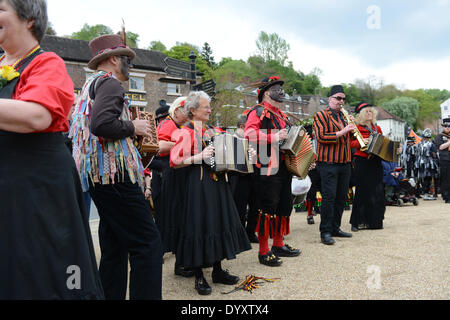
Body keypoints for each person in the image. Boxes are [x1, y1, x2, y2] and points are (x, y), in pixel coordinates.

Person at [0, 0, 103, 299]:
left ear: (29, 17)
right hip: (7, 190)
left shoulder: (47, 63)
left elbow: (36, 115)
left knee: (45, 275)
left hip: (37, 190)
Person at [70, 34, 162, 300]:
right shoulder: (109, 84)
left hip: (99, 178)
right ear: (112, 59)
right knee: (148, 243)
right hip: (116, 179)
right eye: (127, 60)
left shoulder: (90, 85)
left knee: (115, 246)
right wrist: (135, 126)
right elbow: (101, 125)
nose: (130, 66)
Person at [169, 91, 251, 295]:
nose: (209, 109)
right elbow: (174, 162)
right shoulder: (184, 132)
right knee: (199, 226)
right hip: (196, 185)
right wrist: (199, 156)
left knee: (217, 223)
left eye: (209, 106)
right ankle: (199, 276)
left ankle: (217, 270)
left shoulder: (212, 130)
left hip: (216, 184)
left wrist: (245, 154)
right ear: (193, 110)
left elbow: (227, 155)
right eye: (206, 106)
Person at [245, 76, 301, 267]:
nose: (282, 92)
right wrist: (273, 136)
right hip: (266, 165)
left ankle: (278, 244)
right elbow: (249, 134)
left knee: (284, 205)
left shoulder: (282, 116)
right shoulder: (258, 111)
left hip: (284, 167)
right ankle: (263, 251)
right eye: (277, 89)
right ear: (266, 93)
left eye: (281, 89)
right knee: (267, 207)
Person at [155, 96, 194, 278]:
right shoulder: (167, 124)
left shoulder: (182, 126)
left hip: (179, 175)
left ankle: (181, 260)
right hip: (168, 176)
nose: (189, 114)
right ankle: (163, 253)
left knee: (180, 218)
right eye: (186, 110)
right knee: (168, 217)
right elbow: (160, 146)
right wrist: (183, 144)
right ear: (176, 110)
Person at [313, 85, 354, 245]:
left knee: (341, 198)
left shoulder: (344, 117)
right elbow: (322, 136)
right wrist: (344, 130)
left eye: (343, 98)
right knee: (329, 198)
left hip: (345, 162)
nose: (341, 101)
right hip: (328, 163)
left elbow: (348, 139)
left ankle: (336, 228)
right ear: (330, 99)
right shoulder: (321, 115)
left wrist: (351, 128)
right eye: (338, 98)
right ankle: (326, 231)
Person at [349, 103, 386, 231]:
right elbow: (349, 143)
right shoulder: (356, 128)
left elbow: (383, 144)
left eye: (371, 111)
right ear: (361, 115)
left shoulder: (378, 128)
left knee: (377, 191)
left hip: (375, 162)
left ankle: (374, 221)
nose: (369, 113)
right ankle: (356, 222)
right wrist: (361, 142)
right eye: (366, 112)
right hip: (362, 161)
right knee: (361, 191)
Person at [229, 115, 259, 243]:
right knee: (240, 207)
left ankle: (250, 232)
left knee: (255, 206)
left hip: (253, 176)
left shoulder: (250, 140)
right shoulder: (232, 139)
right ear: (242, 127)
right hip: (239, 178)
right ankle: (240, 236)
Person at [417, 128, 439, 200]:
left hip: (421, 163)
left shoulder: (419, 144)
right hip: (429, 163)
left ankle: (426, 193)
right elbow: (434, 154)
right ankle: (426, 194)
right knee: (428, 178)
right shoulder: (431, 144)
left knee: (423, 178)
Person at [435, 118, 450, 203]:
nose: (447, 128)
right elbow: (440, 147)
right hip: (445, 160)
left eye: (449, 126)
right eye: (446, 126)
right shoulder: (439, 136)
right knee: (446, 178)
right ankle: (446, 196)